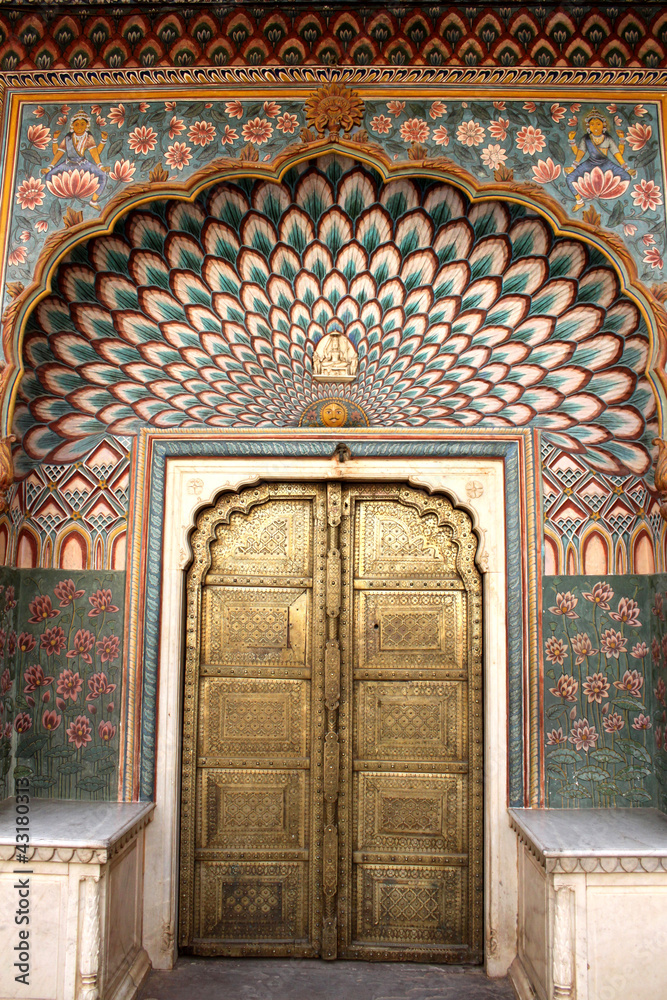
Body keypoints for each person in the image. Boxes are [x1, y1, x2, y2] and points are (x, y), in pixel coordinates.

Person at [564, 109, 636, 211]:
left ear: (603, 126)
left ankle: (609, 193)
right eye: (592, 124)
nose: (595, 127)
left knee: (626, 177)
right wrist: (573, 166)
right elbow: (579, 154)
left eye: (598, 124)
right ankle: (579, 201)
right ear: (589, 127)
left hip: (606, 164)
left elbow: (617, 154)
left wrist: (627, 168)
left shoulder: (608, 139)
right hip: (590, 163)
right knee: (569, 178)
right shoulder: (586, 139)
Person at [41, 108, 109, 205]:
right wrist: (49, 167)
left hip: (83, 163)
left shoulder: (88, 137)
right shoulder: (68, 137)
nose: (79, 127)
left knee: (102, 176)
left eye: (82, 124)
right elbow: (59, 153)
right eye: (76, 124)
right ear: (72, 125)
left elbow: (95, 153)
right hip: (68, 163)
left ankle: (93, 201)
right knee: (49, 176)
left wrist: (101, 166)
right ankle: (60, 197)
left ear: (87, 125)